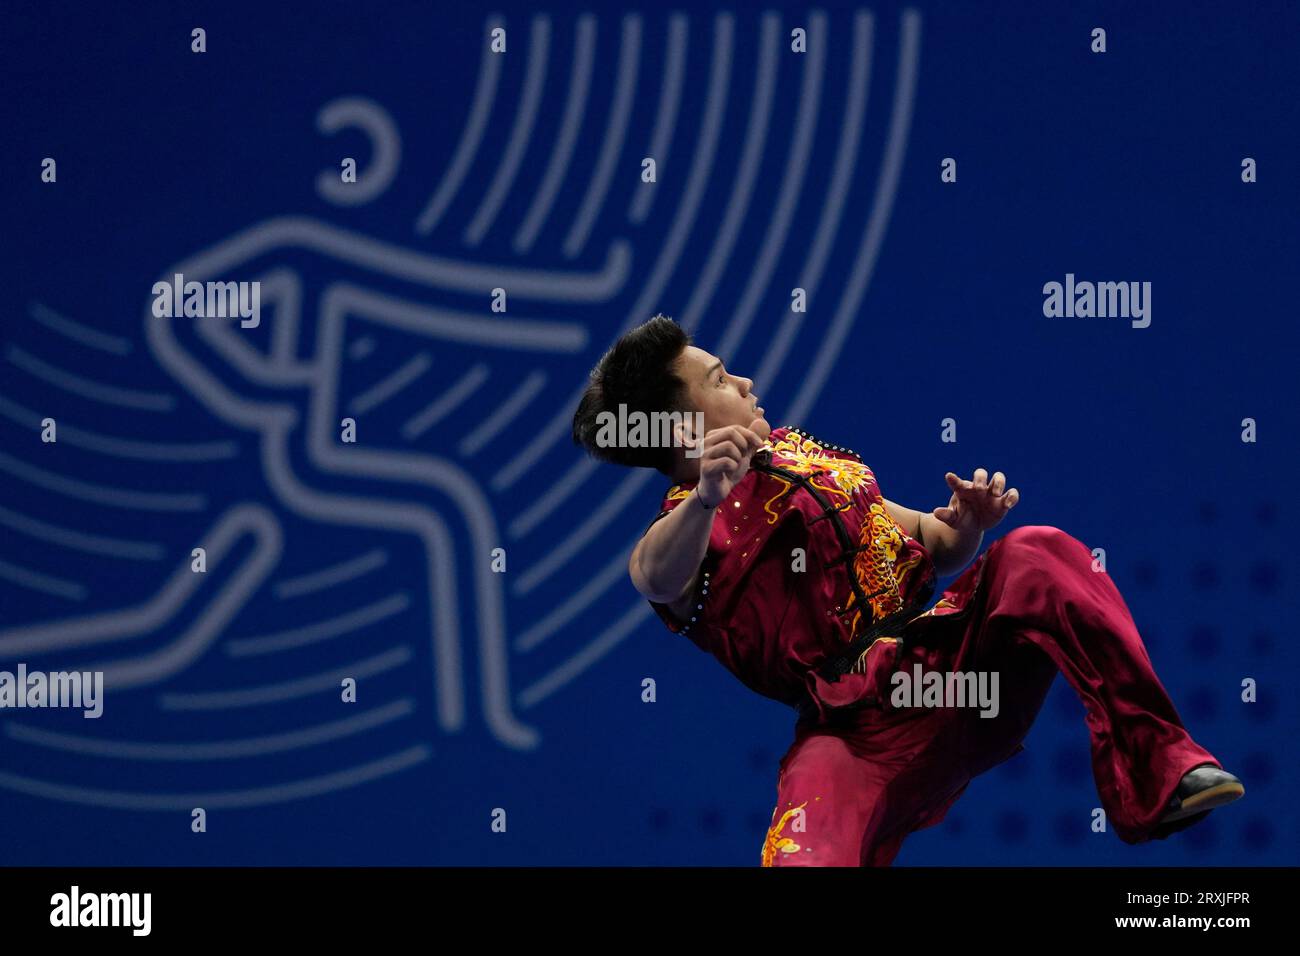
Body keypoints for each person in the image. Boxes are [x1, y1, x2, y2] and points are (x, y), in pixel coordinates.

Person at [572, 314, 1244, 866]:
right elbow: (655, 576)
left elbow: (929, 538)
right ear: (683, 427)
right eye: (720, 379)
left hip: (949, 673)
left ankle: (1158, 773)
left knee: (1039, 552)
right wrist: (706, 501)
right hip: (853, 742)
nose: (745, 381)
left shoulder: (809, 464)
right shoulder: (686, 525)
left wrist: (967, 524)